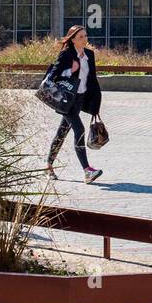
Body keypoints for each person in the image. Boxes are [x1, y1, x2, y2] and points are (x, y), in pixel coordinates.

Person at [45, 25, 104, 184]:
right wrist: (70, 70)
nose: (85, 39)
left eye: (85, 36)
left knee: (62, 132)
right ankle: (87, 171)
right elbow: (53, 75)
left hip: (79, 99)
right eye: (81, 37)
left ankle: (49, 165)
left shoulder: (89, 55)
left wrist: (95, 104)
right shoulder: (66, 54)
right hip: (66, 100)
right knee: (80, 129)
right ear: (72, 39)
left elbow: (91, 80)